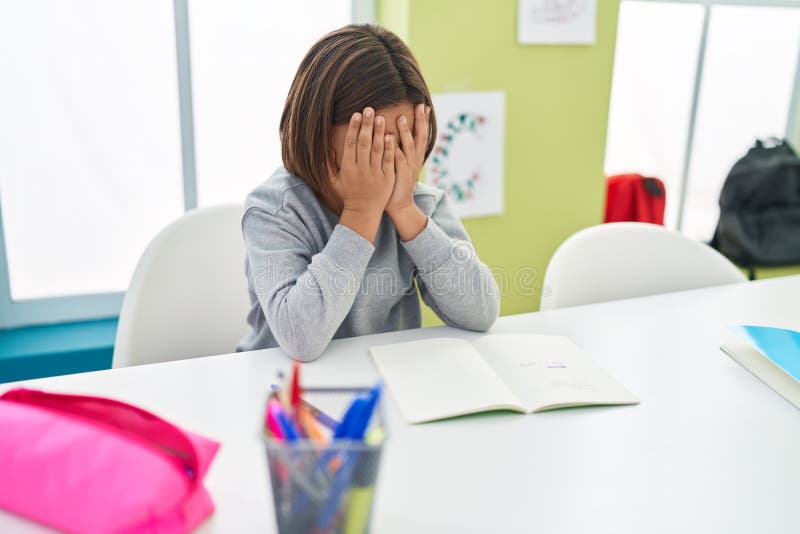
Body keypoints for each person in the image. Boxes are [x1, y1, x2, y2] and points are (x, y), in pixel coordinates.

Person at [237, 24, 499, 361]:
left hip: (385, 383)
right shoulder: (274, 210)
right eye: (370, 141)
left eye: (402, 142)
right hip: (285, 390)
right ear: (316, 131)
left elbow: (481, 313)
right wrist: (361, 212)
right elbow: (300, 339)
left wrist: (405, 210)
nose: (387, 158)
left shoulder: (421, 206)